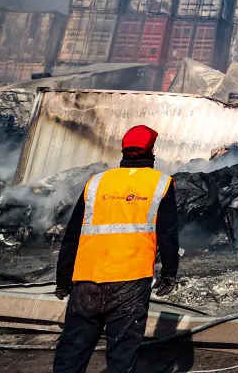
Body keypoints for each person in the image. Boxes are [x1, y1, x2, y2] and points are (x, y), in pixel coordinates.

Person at [52, 125, 180, 373]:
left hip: (86, 282)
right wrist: (170, 273)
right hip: (130, 282)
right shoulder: (160, 184)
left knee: (71, 354)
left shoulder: (97, 182)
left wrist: (63, 279)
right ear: (151, 151)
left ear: (123, 150)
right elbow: (168, 234)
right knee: (122, 356)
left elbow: (72, 235)